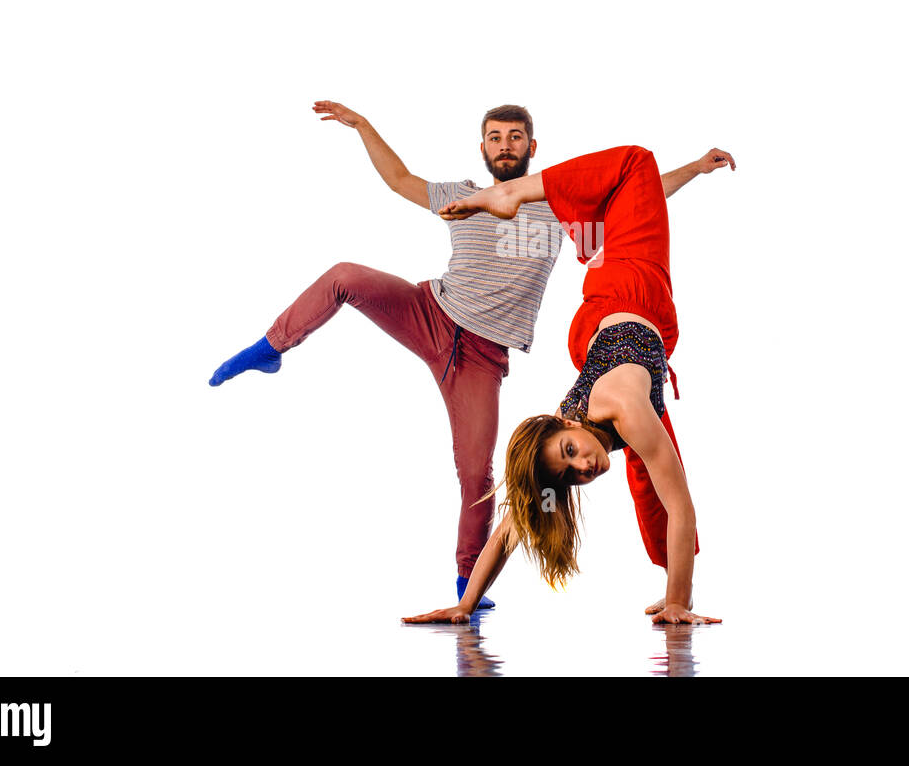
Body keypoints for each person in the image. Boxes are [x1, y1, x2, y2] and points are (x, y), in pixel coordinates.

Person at [209, 103, 730, 607]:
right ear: (482, 146)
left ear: (531, 146)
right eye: (496, 138)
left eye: (516, 137)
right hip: (431, 312)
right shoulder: (460, 195)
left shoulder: (556, 208)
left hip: (486, 355)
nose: (506, 145)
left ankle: (466, 586)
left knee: (476, 474)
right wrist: (363, 125)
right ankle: (271, 348)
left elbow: (641, 197)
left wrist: (695, 170)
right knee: (344, 275)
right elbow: (399, 180)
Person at [403, 144, 734, 625]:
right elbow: (509, 532)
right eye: (575, 472)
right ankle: (671, 578)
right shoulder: (559, 468)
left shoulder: (623, 406)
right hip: (602, 337)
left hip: (626, 290)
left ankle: (512, 193)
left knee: (634, 164)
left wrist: (682, 602)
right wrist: (464, 605)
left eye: (570, 453)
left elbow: (683, 505)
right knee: (647, 484)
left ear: (562, 423)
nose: (586, 467)